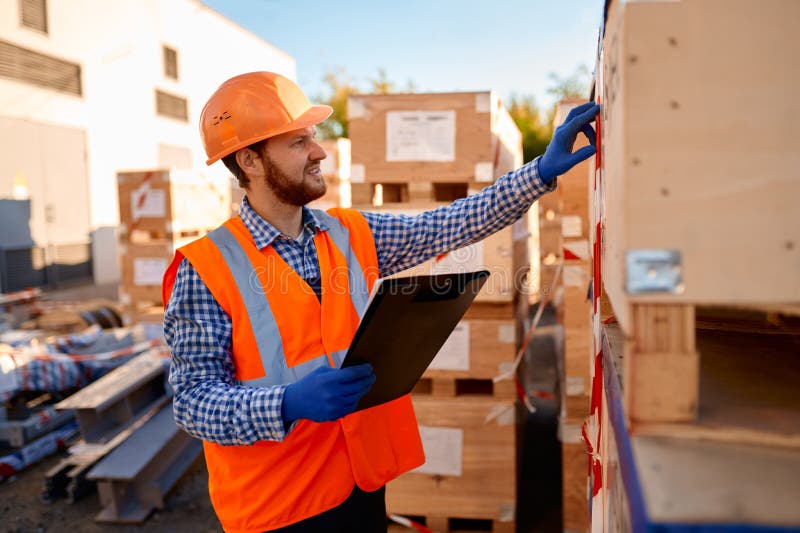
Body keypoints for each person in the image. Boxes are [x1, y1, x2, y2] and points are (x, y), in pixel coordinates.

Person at [162, 71, 599, 533]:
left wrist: (539, 173)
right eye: (297, 143)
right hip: (279, 508)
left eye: (312, 137)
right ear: (250, 160)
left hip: (361, 486)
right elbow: (192, 402)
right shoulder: (206, 267)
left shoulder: (349, 233)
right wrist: (286, 403)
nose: (319, 152)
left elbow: (446, 225)